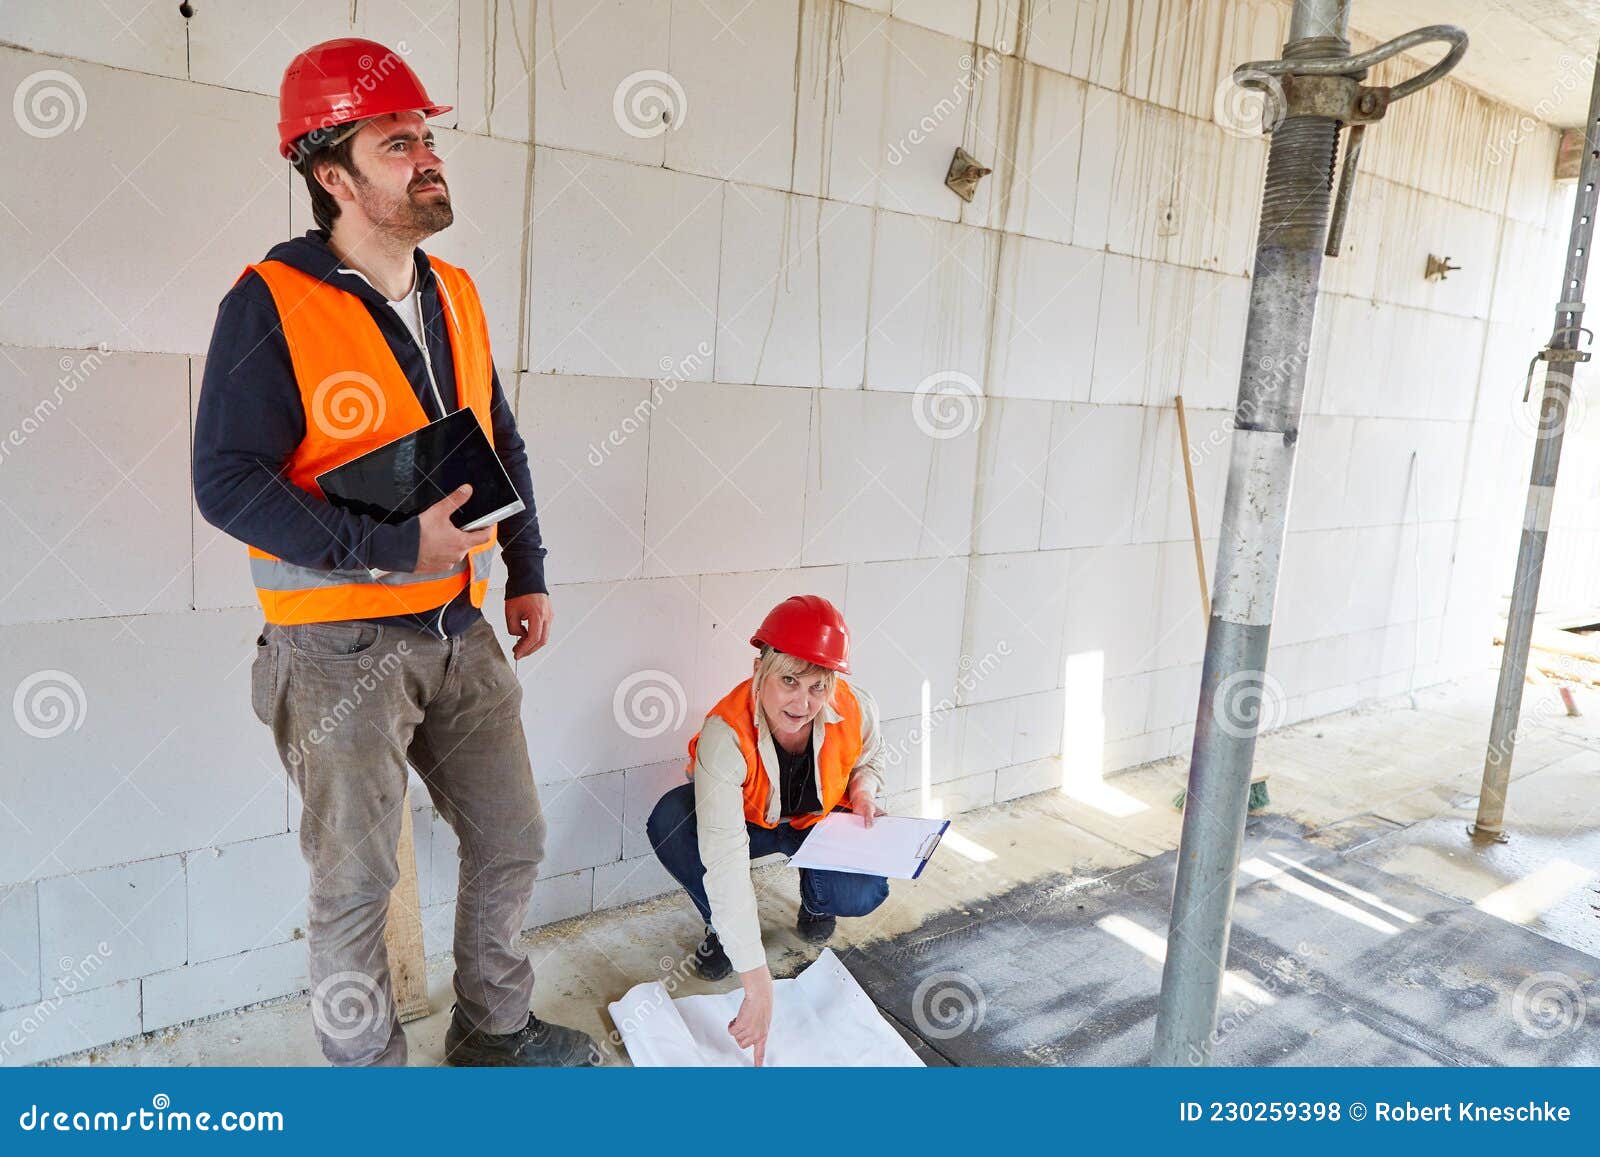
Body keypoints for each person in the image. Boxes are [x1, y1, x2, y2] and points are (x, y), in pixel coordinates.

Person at [192, 38, 596, 1067]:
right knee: (356, 881)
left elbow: (497, 438)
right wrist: (383, 546)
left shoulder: (453, 288)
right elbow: (226, 481)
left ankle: (493, 1028)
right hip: (336, 651)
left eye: (428, 137)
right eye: (397, 141)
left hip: (459, 627)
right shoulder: (268, 302)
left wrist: (530, 568)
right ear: (333, 175)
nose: (428, 158)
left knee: (512, 838)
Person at [646, 595, 891, 1065]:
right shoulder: (725, 733)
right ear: (761, 669)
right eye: (789, 681)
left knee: (862, 891)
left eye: (819, 686)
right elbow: (724, 858)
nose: (802, 703)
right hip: (751, 824)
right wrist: (757, 984)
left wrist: (864, 790)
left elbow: (869, 759)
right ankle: (723, 926)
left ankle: (816, 899)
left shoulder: (856, 708)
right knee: (670, 819)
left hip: (814, 824)